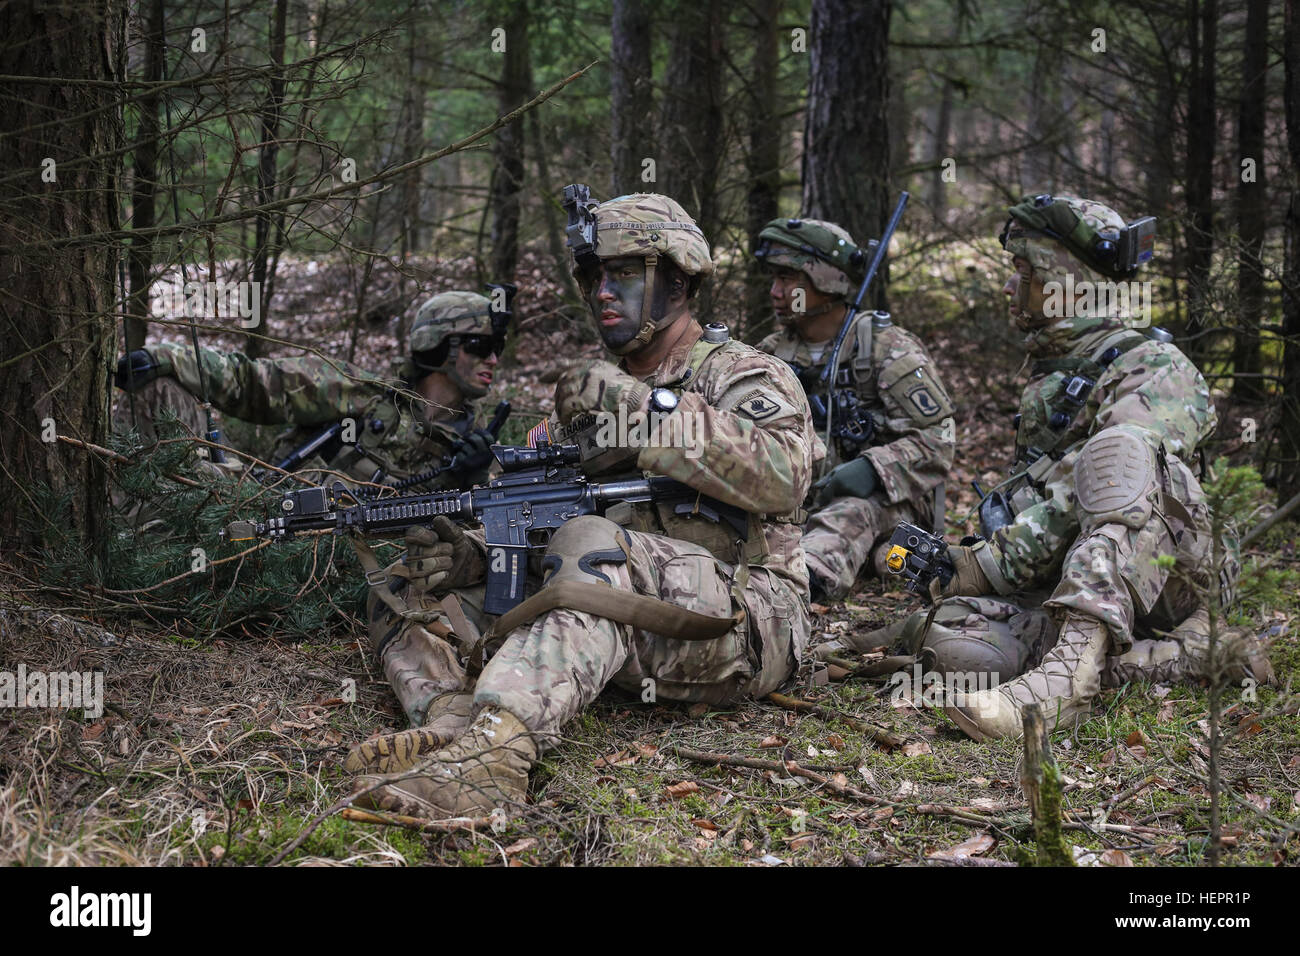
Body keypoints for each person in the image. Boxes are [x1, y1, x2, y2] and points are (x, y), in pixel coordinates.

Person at [346, 190, 816, 818]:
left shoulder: (742, 374)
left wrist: (642, 409)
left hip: (744, 619)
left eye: (623, 273)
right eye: (594, 275)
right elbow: (545, 515)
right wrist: (474, 555)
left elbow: (784, 476)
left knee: (591, 547)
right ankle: (453, 721)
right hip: (613, 614)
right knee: (404, 585)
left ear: (677, 281)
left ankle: (493, 761)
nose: (601, 291)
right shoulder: (590, 403)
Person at [872, 194, 1272, 741]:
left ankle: (1072, 681)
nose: (1010, 287)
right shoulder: (1058, 367)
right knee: (953, 648)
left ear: (1064, 281)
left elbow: (1126, 476)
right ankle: (1191, 654)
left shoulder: (1155, 365)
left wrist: (990, 564)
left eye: (1023, 271)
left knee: (1121, 449)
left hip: (1169, 576)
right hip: (1089, 583)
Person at [112, 289, 511, 491]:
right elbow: (256, 384)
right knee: (161, 388)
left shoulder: (475, 451)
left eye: (498, 349)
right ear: (439, 347)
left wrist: (470, 479)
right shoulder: (359, 391)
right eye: (480, 347)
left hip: (342, 567)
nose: (493, 360)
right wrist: (171, 358)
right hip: (259, 510)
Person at [754, 217, 954, 602]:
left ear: (826, 280)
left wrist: (872, 469)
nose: (776, 293)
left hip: (888, 502)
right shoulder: (771, 353)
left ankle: (797, 587)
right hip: (802, 498)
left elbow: (938, 439)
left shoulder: (885, 348)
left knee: (852, 511)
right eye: (773, 280)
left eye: (788, 280)